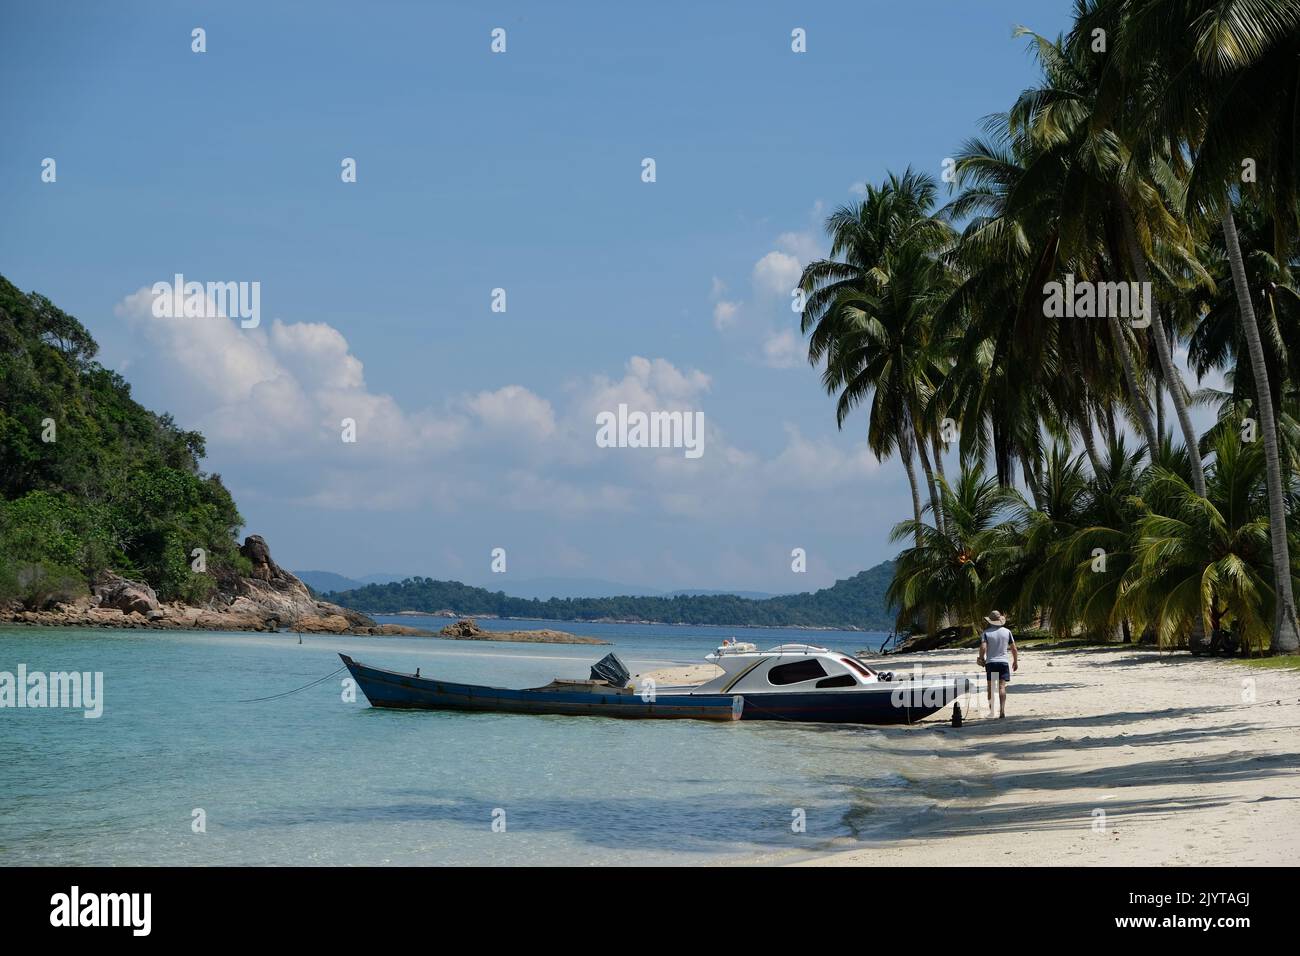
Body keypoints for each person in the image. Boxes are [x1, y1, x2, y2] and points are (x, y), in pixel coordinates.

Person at [977, 611, 1018, 718]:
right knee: (1002, 687)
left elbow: (983, 647)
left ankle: (992, 712)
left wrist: (981, 658)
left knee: (991, 688)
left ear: (990, 621)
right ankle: (1002, 710)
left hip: (991, 663)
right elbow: (1014, 648)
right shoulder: (1007, 632)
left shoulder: (986, 633)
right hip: (1003, 663)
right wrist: (1015, 661)